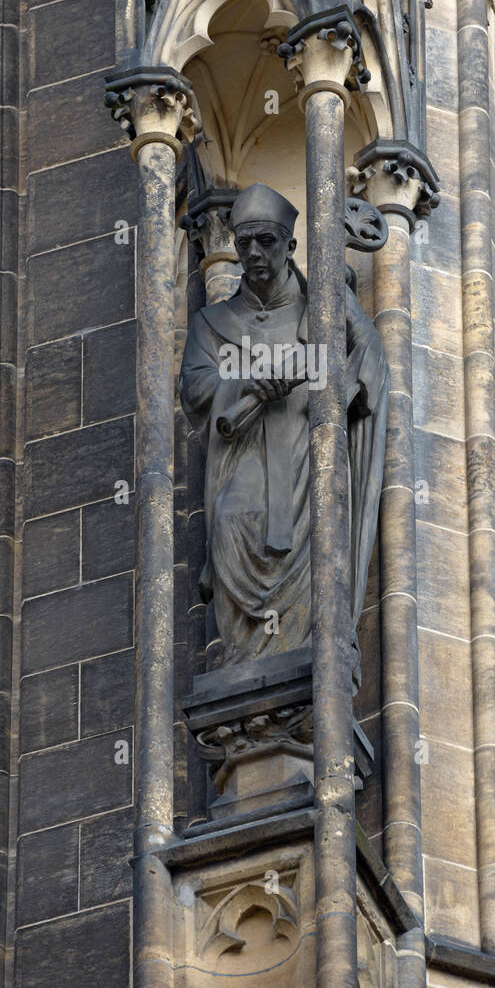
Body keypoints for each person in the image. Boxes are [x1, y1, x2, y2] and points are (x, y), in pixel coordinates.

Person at [179, 182, 388, 685]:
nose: (253, 252)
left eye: (265, 241)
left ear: (290, 246)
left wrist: (346, 314)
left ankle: (312, 661)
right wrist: (248, 381)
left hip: (304, 459)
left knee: (314, 545)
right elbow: (195, 387)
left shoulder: (320, 310)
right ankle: (244, 665)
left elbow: (369, 370)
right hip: (244, 464)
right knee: (233, 522)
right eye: (244, 241)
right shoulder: (213, 323)